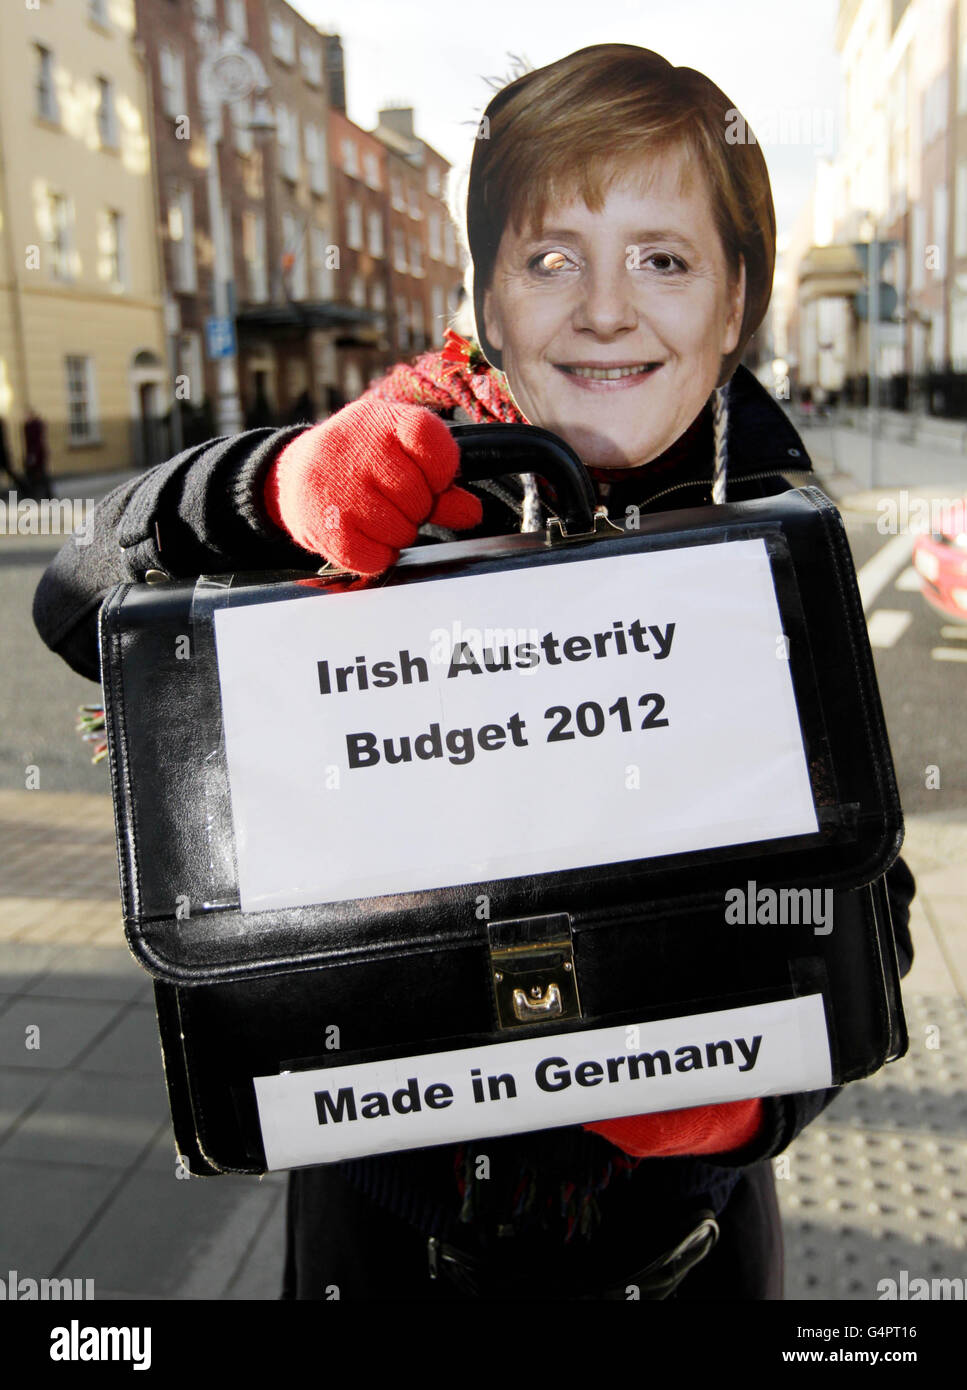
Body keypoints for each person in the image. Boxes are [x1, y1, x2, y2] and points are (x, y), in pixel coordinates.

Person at [32, 44, 915, 1301]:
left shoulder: (778, 537)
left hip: (688, 1256)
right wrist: (273, 488)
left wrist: (756, 1109)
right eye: (553, 259)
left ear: (735, 304)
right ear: (487, 300)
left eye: (662, 259)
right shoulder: (391, 466)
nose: (606, 307)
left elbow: (868, 904)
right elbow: (74, 596)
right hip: (385, 1243)